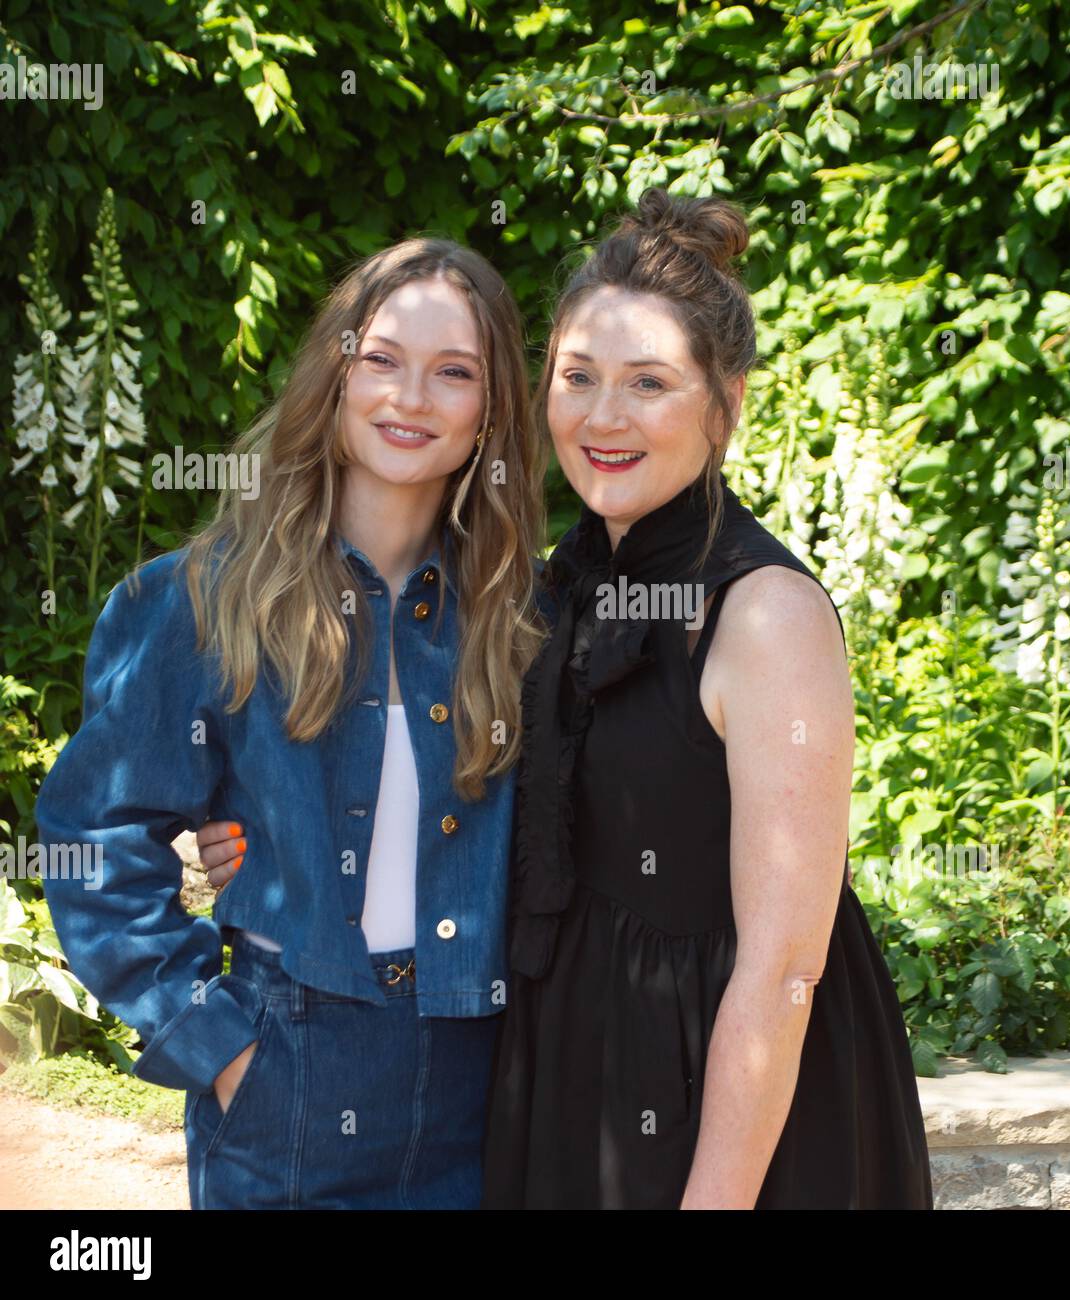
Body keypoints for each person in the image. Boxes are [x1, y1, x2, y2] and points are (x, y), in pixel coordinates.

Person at [198, 189, 934, 1210]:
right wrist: (255, 834)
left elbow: (781, 971)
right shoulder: (548, 588)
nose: (603, 417)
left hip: (729, 1122)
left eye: (649, 383)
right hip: (564, 1080)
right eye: (577, 377)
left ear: (727, 399)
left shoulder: (765, 616)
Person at [36, 236, 547, 1209]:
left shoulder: (524, 623)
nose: (411, 397)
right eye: (383, 360)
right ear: (336, 373)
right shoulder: (205, 602)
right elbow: (90, 837)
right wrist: (217, 1043)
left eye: (454, 373)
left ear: (490, 412)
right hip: (289, 1080)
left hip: (485, 1093)